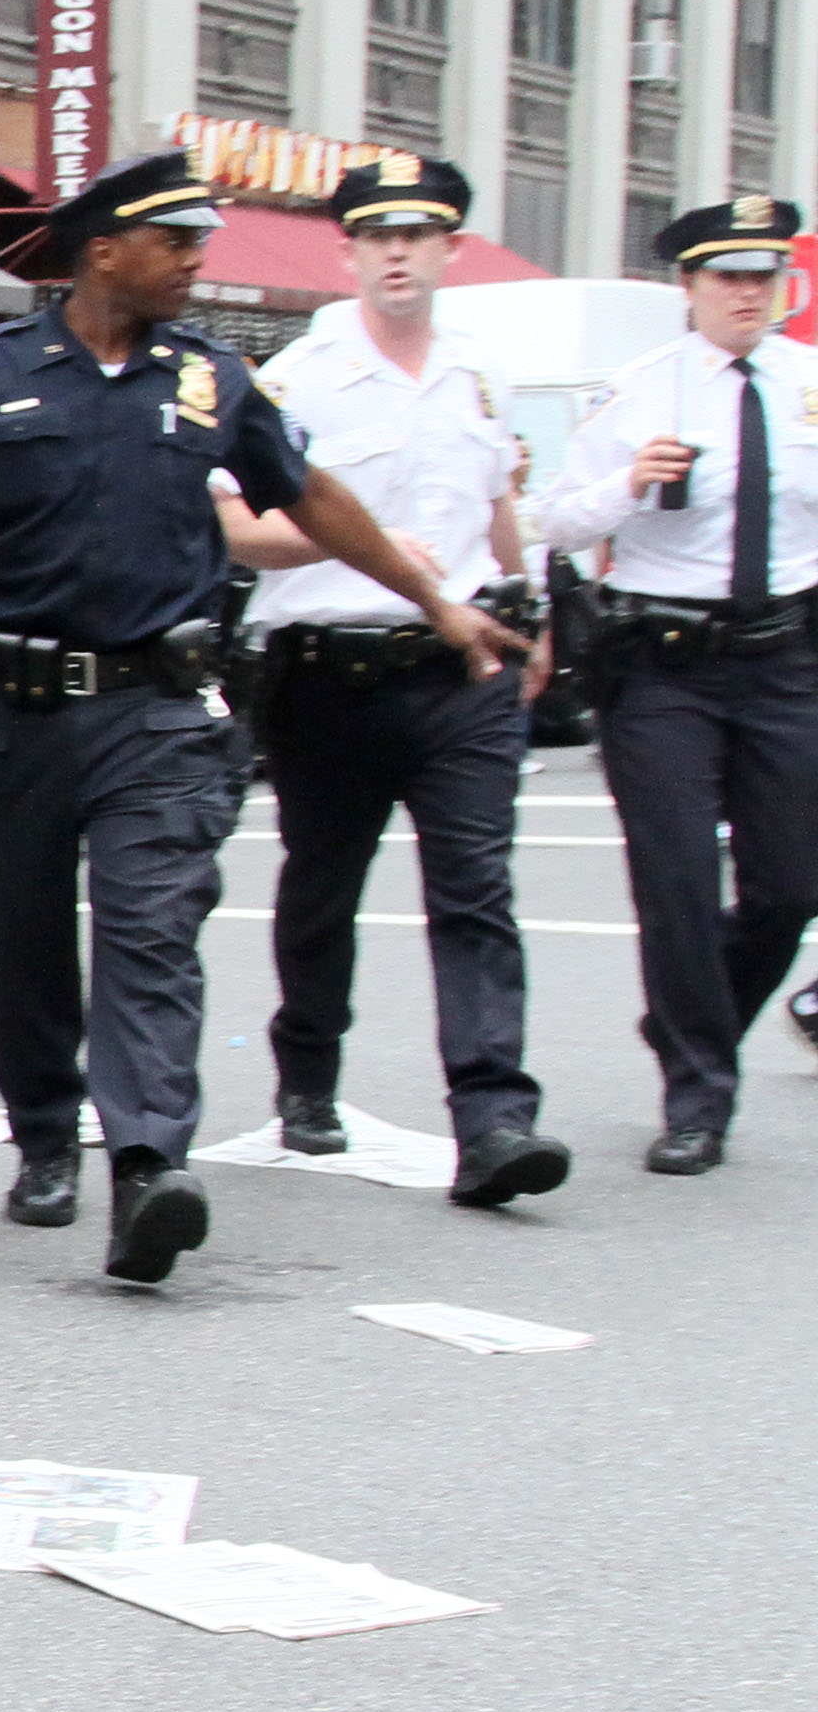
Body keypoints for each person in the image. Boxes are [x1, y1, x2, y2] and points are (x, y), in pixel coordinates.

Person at [0, 149, 513, 1278]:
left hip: (157, 713)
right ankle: (46, 1132)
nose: (199, 258)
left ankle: (150, 1167)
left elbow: (315, 498)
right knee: (20, 943)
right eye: (178, 241)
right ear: (105, 252)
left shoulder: (212, 379)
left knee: (152, 934)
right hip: (9, 713)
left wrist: (435, 600)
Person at [220, 158, 570, 1207]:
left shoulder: (477, 373)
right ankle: (308, 1071)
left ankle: (495, 1119)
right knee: (323, 890)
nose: (400, 254)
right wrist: (352, 547)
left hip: (460, 672)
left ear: (450, 249)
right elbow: (233, 524)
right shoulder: (299, 377)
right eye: (380, 237)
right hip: (331, 674)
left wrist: (527, 608)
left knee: (477, 892)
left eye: (419, 235)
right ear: (350, 254)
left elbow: (496, 504)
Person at [526, 195, 818, 1173]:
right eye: (728, 277)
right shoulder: (640, 390)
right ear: (688, 286)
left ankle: (692, 1019)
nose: (749, 294)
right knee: (680, 883)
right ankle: (698, 1094)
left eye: (764, 277)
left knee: (790, 888)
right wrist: (628, 485)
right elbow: (557, 520)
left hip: (786, 658)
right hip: (663, 665)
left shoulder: (809, 383)